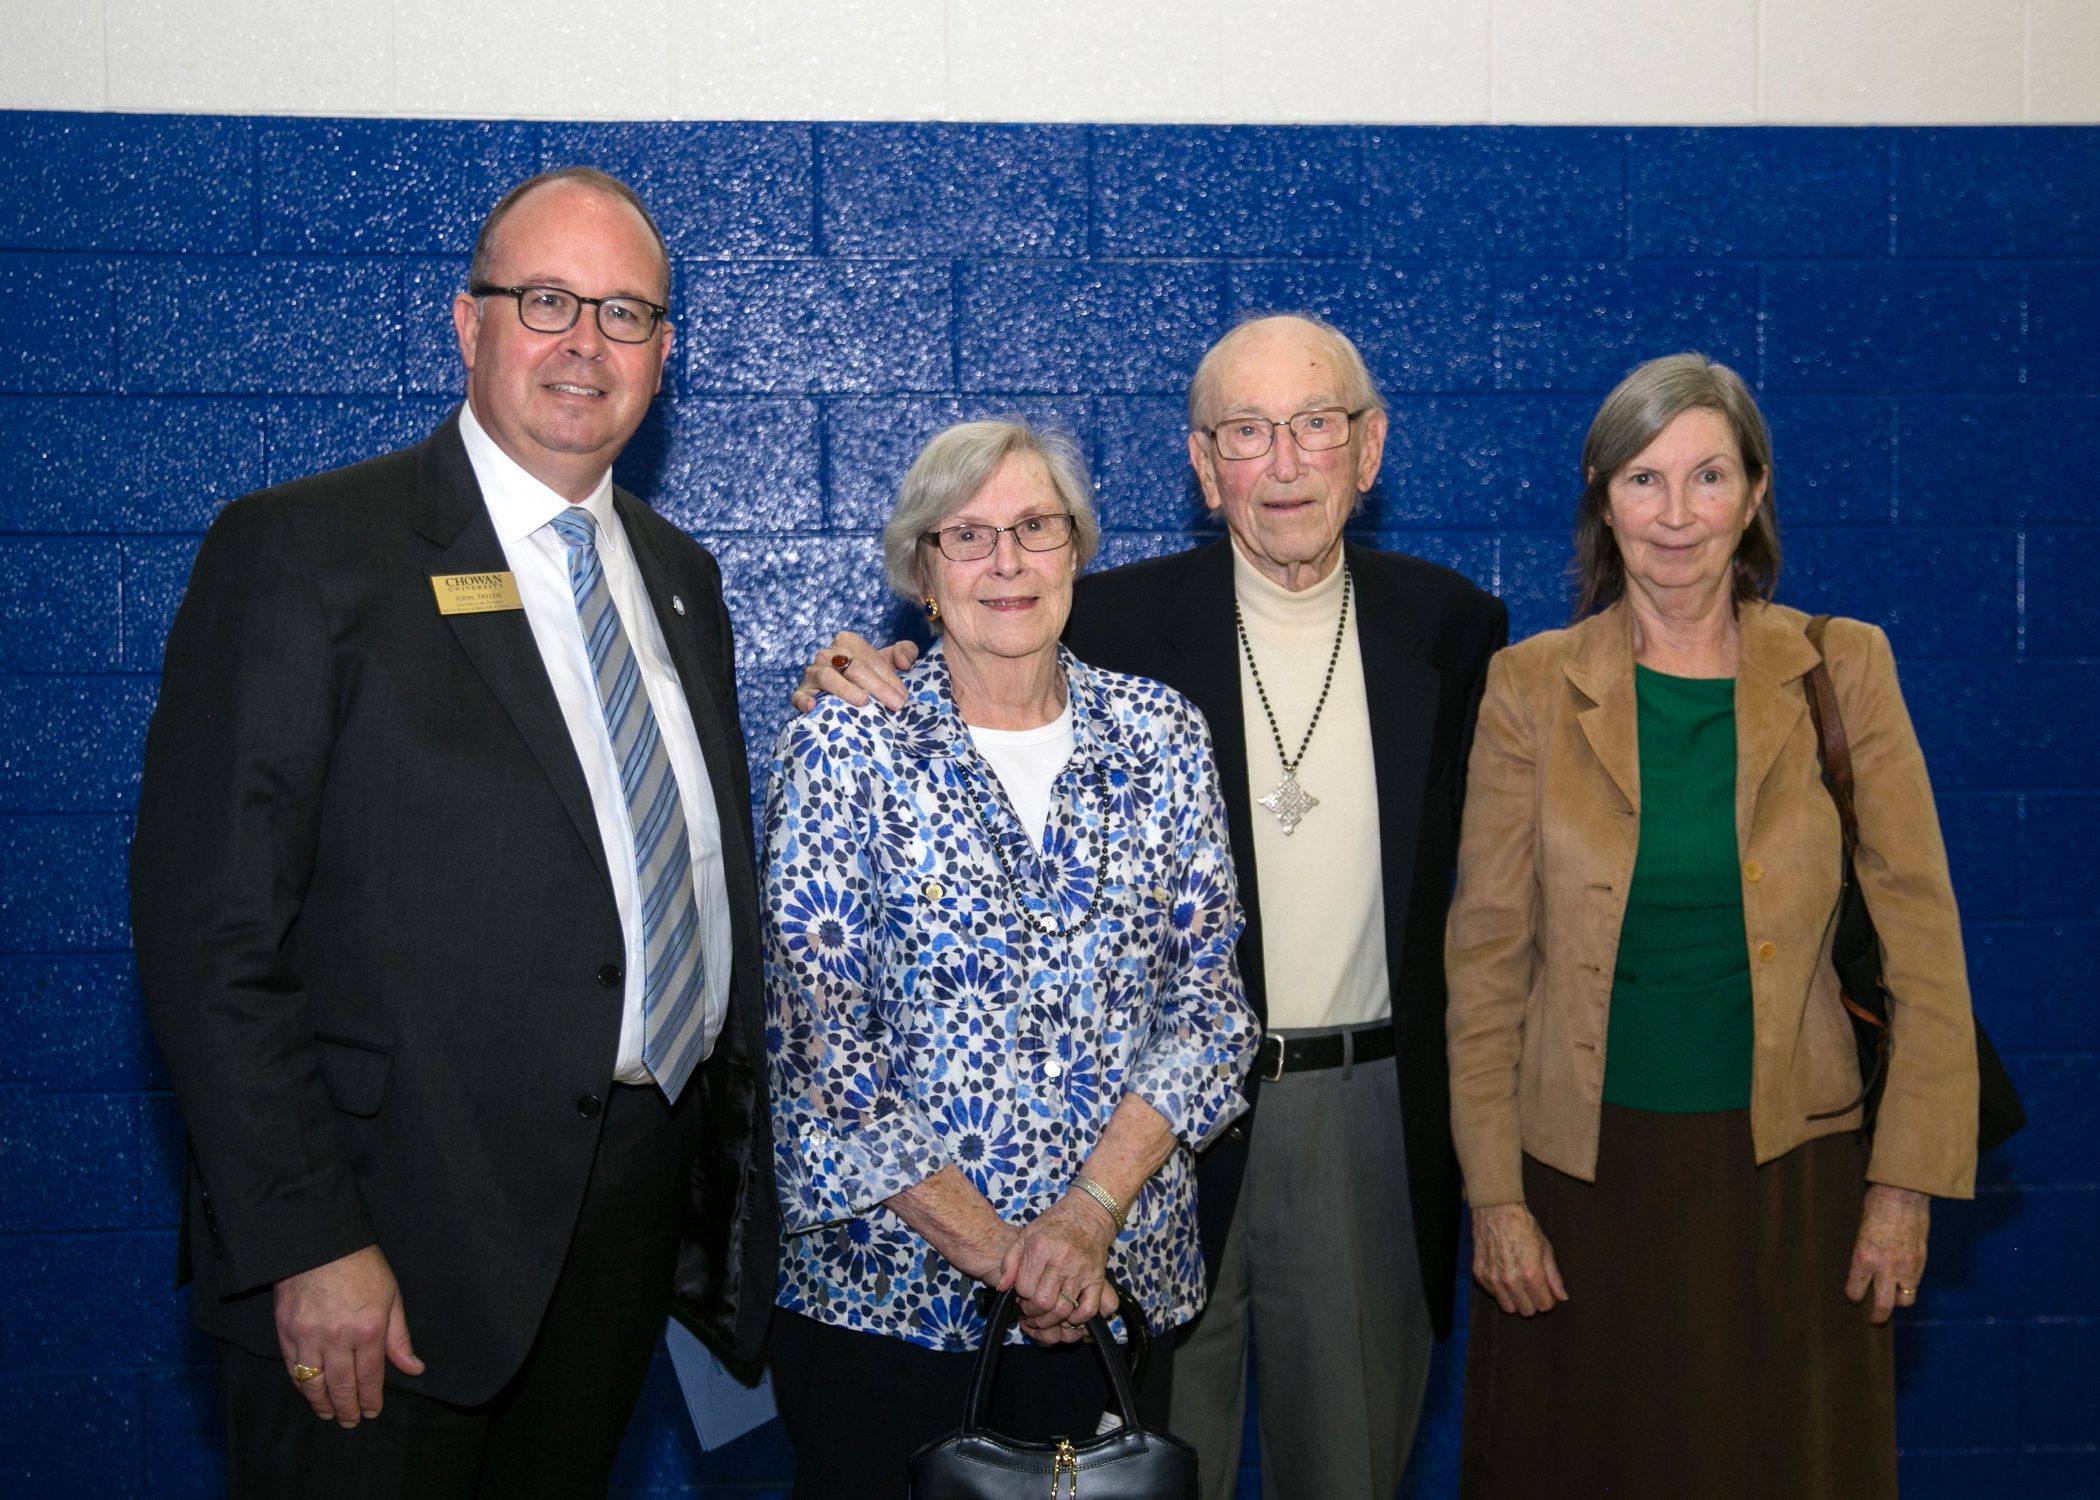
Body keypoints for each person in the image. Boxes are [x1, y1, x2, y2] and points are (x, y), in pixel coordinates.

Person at [129, 167, 776, 1498]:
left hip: (619, 1229)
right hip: (384, 1251)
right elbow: (210, 932)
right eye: (546, 300)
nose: (584, 344)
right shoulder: (306, 552)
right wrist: (306, 1240)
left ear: (667, 353)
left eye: (626, 312)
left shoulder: (679, 576)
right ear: (465, 323)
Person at [796, 315, 1507, 1499]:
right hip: (1163, 1168)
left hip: (1355, 1122)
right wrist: (851, 673)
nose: (1281, 464)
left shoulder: (1453, 628)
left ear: (1368, 451)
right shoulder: (1106, 618)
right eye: (1245, 432)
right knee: (1145, 1467)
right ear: (1201, 463)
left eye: (1313, 427)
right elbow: (975, 643)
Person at [1445, 353, 1980, 1498]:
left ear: (1755, 492)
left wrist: (1904, 1187)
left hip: (1795, 1181)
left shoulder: (1846, 667)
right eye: (1644, 480)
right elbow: (1487, 966)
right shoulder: (1528, 688)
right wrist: (1495, 1198)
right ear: (1601, 495)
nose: (1677, 516)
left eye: (1707, 477)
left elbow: (1924, 942)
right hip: (1576, 1188)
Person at [764, 418, 1259, 1498]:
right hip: (893, 1304)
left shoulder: (1162, 736)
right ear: (922, 574)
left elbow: (1211, 1016)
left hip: (1114, 1294)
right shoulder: (847, 746)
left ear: (1076, 549)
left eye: (1036, 527)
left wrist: (1082, 1225)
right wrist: (1009, 1258)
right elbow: (822, 1052)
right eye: (969, 536)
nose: (1007, 562)